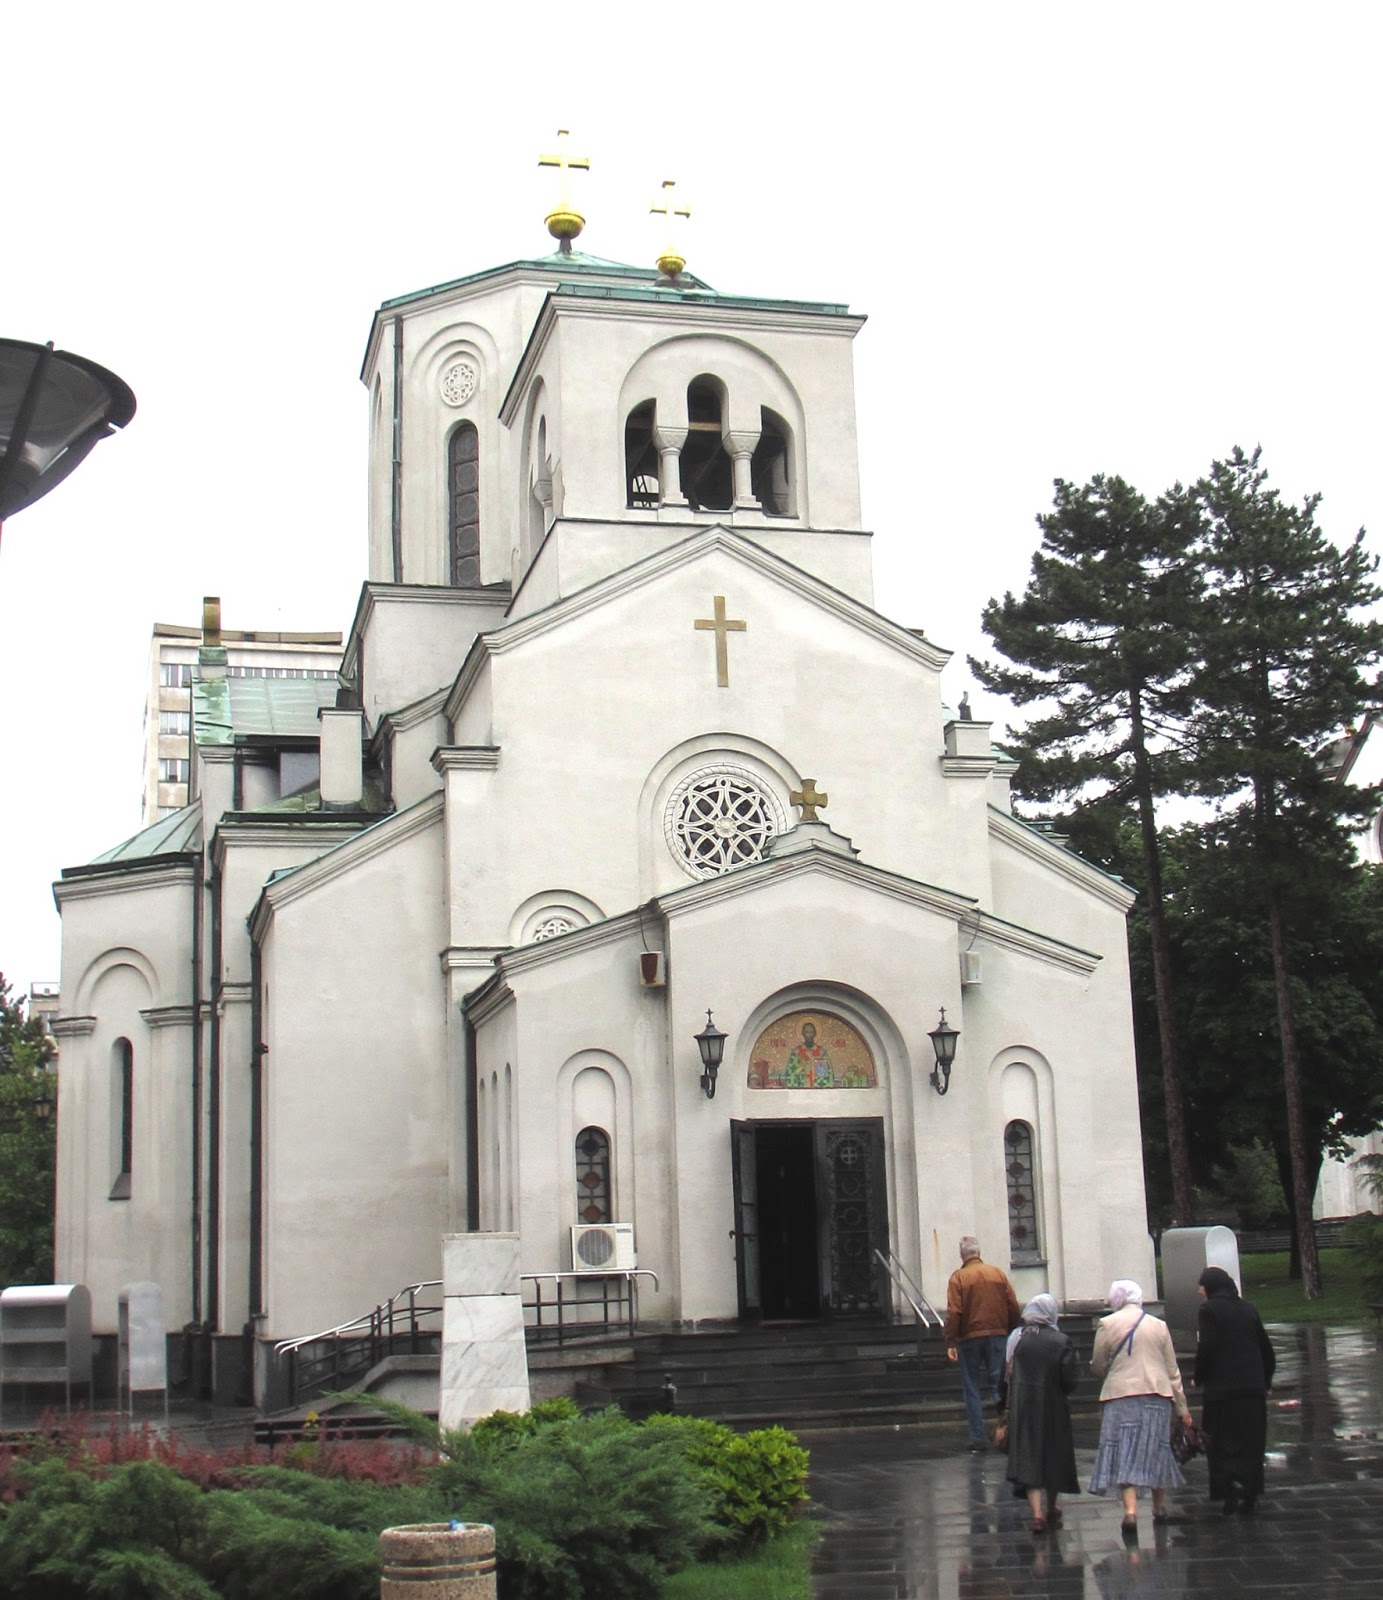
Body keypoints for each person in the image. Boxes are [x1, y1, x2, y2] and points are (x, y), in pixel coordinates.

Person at [1088, 1278, 1193, 1541]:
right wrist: (1182, 1408)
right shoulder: (1159, 1326)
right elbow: (1172, 1371)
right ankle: (1159, 1508)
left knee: (1124, 1450)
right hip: (1157, 1395)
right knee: (1156, 1449)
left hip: (1120, 1396)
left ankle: (1131, 1512)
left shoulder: (1107, 1324)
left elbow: (1098, 1365)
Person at [1193, 1265, 1276, 1515]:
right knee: (1251, 1443)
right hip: (1252, 1388)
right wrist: (1266, 1381)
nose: (1199, 1292)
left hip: (1222, 1390)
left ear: (1210, 1286)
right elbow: (1265, 1348)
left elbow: (1207, 1346)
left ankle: (1229, 1491)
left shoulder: (1209, 1310)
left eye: (1202, 1286)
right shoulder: (1248, 1308)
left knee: (1221, 1443)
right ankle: (1250, 1492)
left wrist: (1199, 1376)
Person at [998, 1293, 1080, 1534]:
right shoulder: (1061, 1341)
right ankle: (1051, 1506)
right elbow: (1069, 1380)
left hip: (1024, 1407)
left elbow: (1006, 1374)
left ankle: (1036, 1514)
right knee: (1052, 1456)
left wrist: (1003, 1403)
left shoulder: (1018, 1339)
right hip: (1053, 1407)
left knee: (1029, 1458)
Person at [944, 1236, 1021, 1452]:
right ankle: (1008, 1430)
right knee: (999, 1383)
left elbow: (954, 1312)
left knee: (972, 1386)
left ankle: (977, 1437)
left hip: (969, 1338)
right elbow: (1012, 1305)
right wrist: (1011, 1329)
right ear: (978, 1253)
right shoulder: (997, 1273)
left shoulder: (958, 1278)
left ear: (962, 1255)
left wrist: (951, 1340)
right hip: (998, 1335)